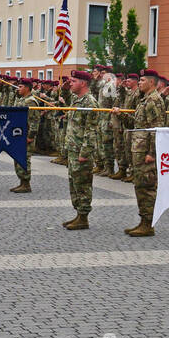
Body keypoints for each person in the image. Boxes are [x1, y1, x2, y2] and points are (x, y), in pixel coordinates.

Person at [126, 70, 166, 236]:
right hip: (139, 150)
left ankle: (148, 224)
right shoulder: (145, 100)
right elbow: (137, 124)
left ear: (151, 82)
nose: (139, 82)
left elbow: (157, 128)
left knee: (147, 187)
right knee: (140, 186)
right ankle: (143, 221)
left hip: (146, 153)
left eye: (142, 80)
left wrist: (152, 153)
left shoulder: (154, 100)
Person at [63, 70, 100, 230]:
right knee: (74, 183)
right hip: (73, 149)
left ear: (83, 83)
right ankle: (78, 214)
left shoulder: (89, 102)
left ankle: (83, 217)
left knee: (83, 184)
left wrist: (85, 153)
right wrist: (64, 88)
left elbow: (91, 130)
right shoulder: (76, 99)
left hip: (81, 152)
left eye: (73, 81)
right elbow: (63, 98)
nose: (70, 83)